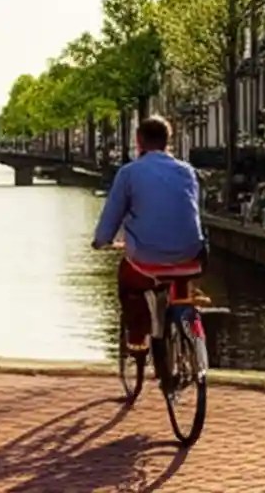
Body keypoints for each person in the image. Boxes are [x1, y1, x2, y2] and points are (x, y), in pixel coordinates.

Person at [91, 115, 206, 359]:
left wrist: (102, 240)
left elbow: (113, 213)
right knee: (180, 281)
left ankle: (137, 338)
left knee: (128, 281)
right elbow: (193, 209)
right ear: (168, 141)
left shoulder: (129, 173)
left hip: (148, 261)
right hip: (190, 257)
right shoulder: (187, 172)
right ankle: (188, 326)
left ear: (138, 141)